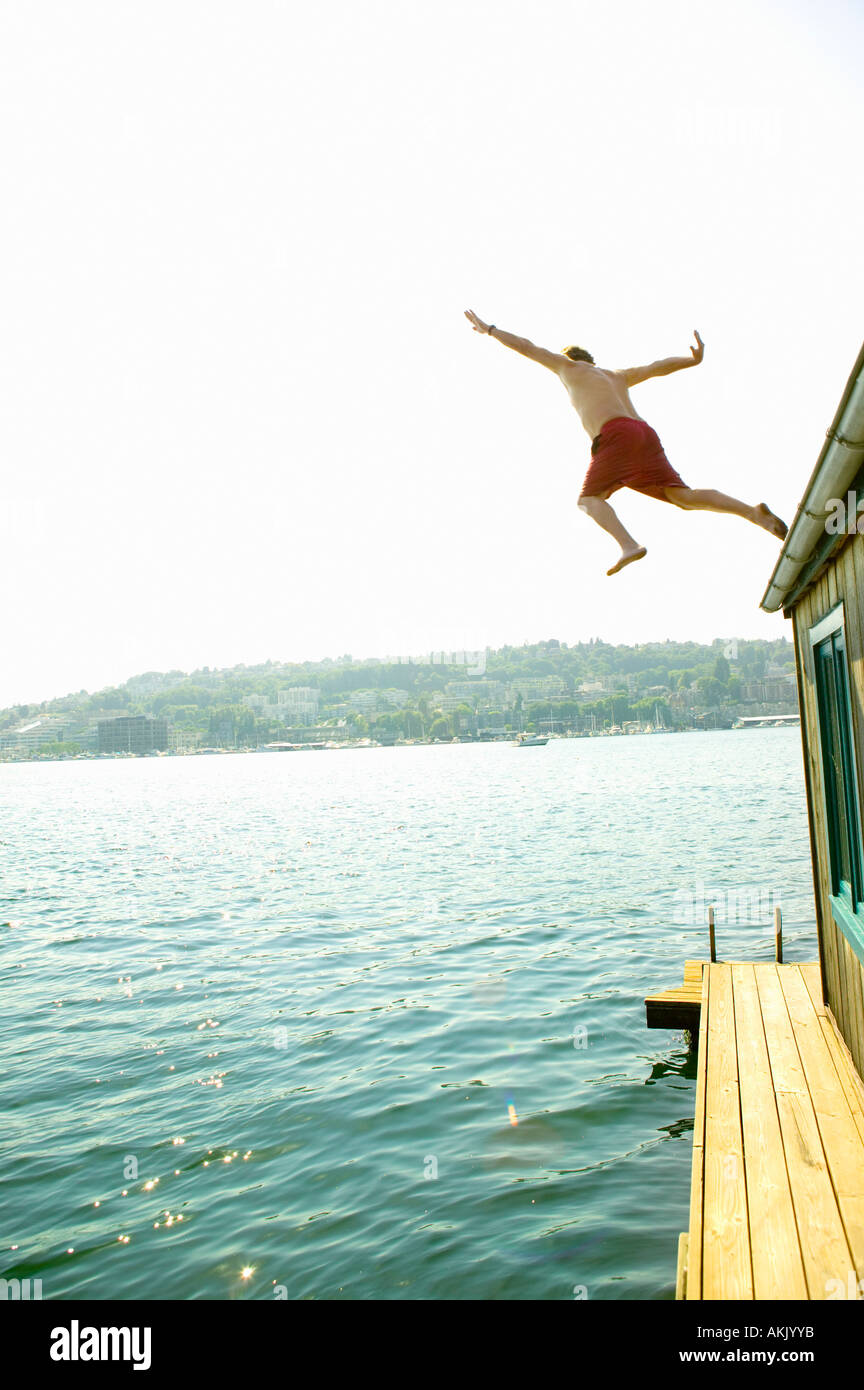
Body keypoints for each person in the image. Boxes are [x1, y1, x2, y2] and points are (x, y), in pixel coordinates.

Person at [464, 309, 787, 575]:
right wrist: (693, 361)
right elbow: (656, 368)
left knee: (588, 500)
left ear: (571, 359)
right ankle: (752, 513)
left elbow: (527, 346)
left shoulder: (567, 366)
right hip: (644, 433)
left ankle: (628, 545)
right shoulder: (616, 375)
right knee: (683, 497)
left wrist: (490, 329)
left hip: (615, 435)